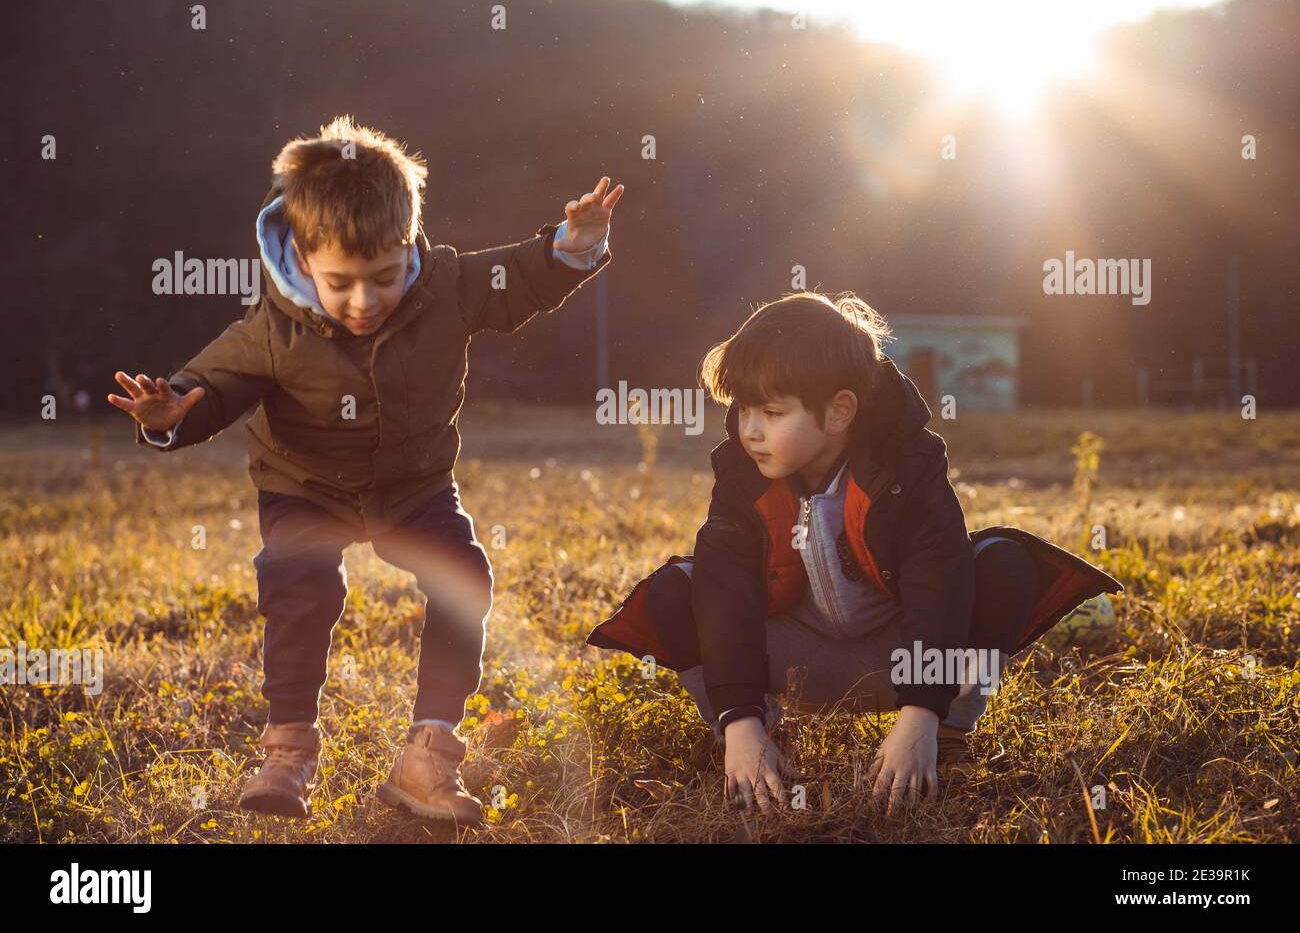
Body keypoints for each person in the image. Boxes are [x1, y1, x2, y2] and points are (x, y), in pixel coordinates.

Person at [108, 115, 622, 827]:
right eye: (339, 282)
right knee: (298, 587)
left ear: (407, 244)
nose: (362, 300)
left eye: (382, 278)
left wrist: (573, 246)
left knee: (463, 577)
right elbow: (210, 389)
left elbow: (518, 281)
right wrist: (169, 417)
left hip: (412, 487)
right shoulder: (270, 326)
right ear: (301, 257)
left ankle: (428, 756)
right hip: (303, 487)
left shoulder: (447, 285)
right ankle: (288, 750)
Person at [587, 292, 1122, 817]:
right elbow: (725, 594)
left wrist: (921, 712)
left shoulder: (909, 464)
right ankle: (755, 738)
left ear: (840, 410)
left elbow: (940, 584)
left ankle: (947, 734)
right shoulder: (740, 475)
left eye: (772, 412)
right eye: (745, 409)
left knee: (1002, 561)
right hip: (791, 659)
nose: (751, 430)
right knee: (676, 587)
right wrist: (740, 720)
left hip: (897, 656)